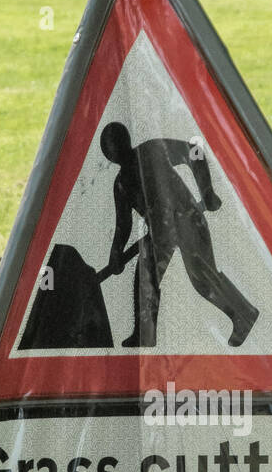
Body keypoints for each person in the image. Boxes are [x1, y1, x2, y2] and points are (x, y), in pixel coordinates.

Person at [100, 121, 259, 348]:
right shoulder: (122, 184)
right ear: (110, 157)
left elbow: (194, 152)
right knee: (146, 277)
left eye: (117, 146)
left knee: (202, 278)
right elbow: (123, 225)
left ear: (125, 142)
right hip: (159, 233)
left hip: (187, 219)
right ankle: (145, 334)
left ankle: (244, 314)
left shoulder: (152, 150)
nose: (117, 154)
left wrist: (207, 191)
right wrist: (115, 255)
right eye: (112, 151)